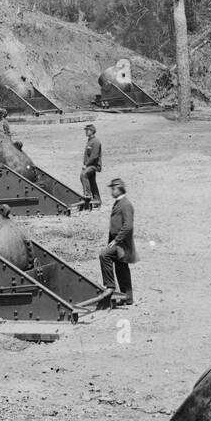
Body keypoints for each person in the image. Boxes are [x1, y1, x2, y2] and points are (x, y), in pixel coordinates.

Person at [99, 177, 137, 305]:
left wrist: (116, 240)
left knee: (104, 255)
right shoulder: (119, 202)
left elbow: (128, 226)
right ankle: (127, 297)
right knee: (121, 268)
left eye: (113, 189)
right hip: (117, 241)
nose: (112, 192)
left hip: (122, 244)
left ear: (119, 189)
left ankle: (110, 286)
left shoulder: (125, 204)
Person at [81, 123, 103, 207]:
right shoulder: (90, 141)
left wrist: (86, 165)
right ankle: (97, 201)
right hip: (90, 164)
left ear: (92, 131)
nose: (86, 132)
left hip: (93, 165)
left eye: (87, 130)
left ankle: (88, 196)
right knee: (92, 182)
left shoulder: (96, 142)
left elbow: (94, 156)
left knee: (83, 175)